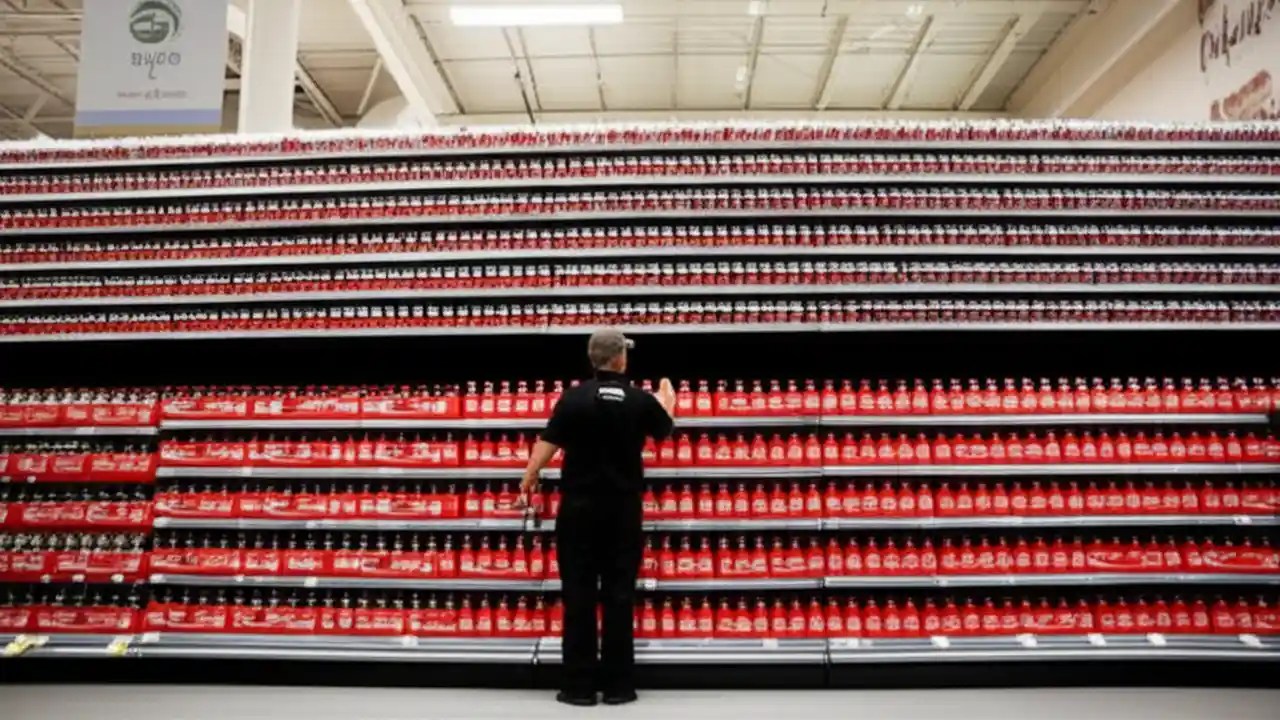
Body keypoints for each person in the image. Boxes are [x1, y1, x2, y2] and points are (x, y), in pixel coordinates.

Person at [521, 328, 675, 707]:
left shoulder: (573, 398)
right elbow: (664, 430)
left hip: (578, 511)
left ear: (593, 360)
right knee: (619, 597)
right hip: (622, 512)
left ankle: (578, 688)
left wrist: (531, 471)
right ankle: (619, 688)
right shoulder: (640, 400)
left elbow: (549, 439)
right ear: (621, 359)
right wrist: (667, 401)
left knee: (579, 597)